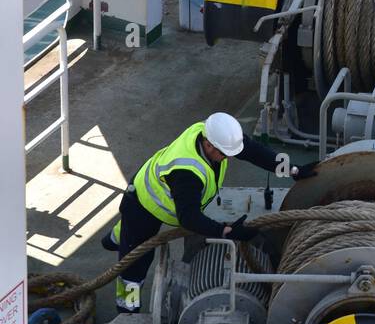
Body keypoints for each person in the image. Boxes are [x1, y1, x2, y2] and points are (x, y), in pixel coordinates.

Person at [103, 113, 315, 313]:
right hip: (143, 205)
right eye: (224, 154)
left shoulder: (215, 135)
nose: (228, 159)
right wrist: (226, 231)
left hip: (156, 191)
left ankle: (116, 237)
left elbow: (254, 152)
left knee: (127, 232)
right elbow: (189, 218)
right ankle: (127, 312)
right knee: (134, 265)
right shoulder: (187, 173)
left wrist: (293, 170)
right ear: (208, 144)